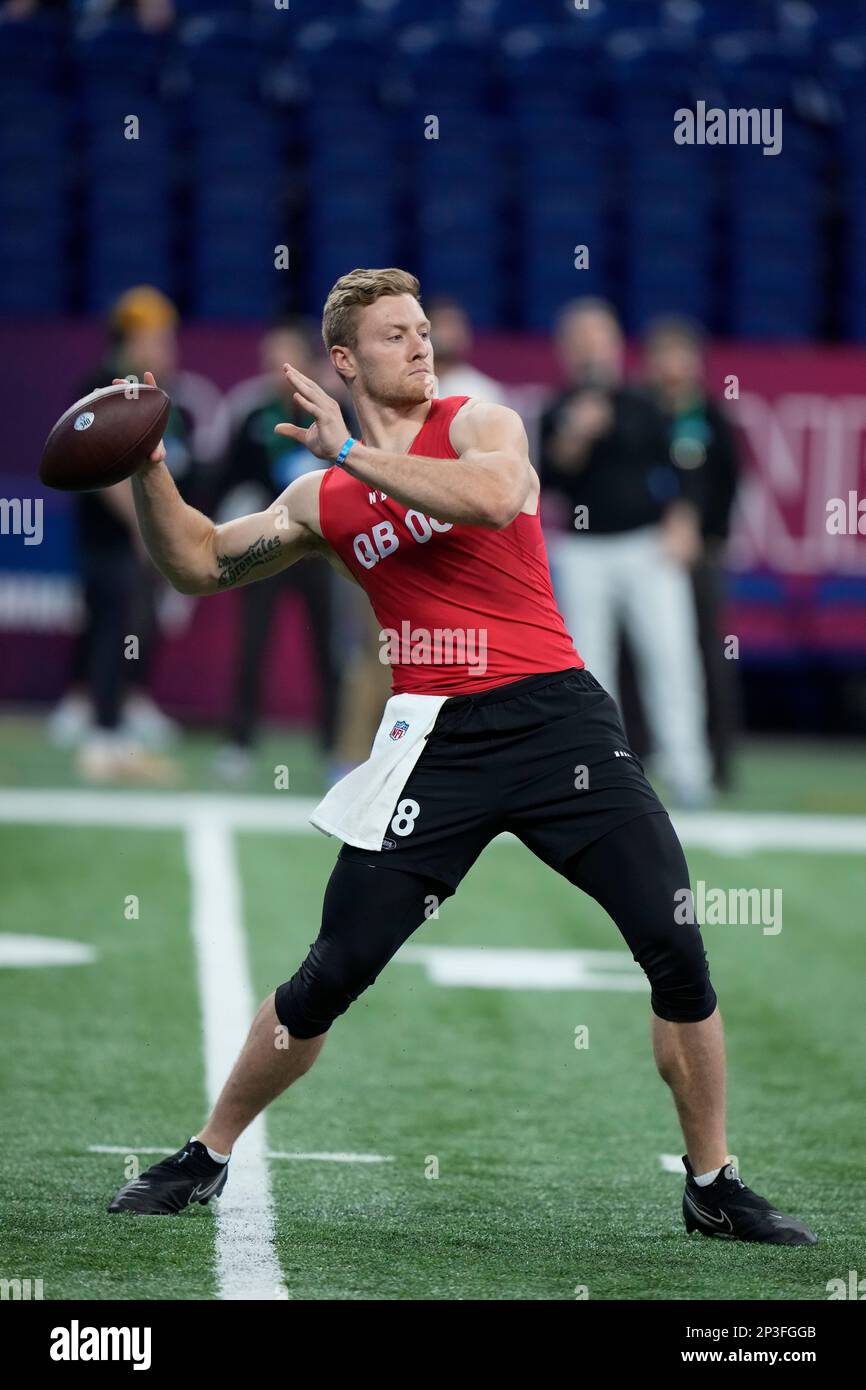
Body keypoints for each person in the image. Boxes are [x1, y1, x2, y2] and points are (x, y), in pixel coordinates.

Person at [107, 268, 814, 1245]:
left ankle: (711, 1180)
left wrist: (352, 450)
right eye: (394, 335)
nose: (421, 343)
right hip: (433, 738)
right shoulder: (322, 498)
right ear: (345, 360)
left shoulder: (481, 424)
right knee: (330, 971)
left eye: (421, 328)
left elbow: (492, 500)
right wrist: (145, 463)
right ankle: (208, 1150)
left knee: (674, 939)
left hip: (556, 716)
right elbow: (194, 558)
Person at [539, 298, 713, 808]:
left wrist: (684, 521)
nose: (592, 348)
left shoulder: (646, 404)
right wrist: (577, 432)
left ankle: (689, 772)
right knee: (589, 671)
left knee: (671, 656)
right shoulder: (557, 410)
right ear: (566, 350)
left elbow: (683, 470)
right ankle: (597, 776)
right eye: (581, 340)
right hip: (584, 551)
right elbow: (549, 480)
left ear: (616, 346)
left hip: (647, 547)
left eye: (600, 337)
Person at [49, 285, 196, 783]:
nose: (165, 349)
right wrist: (139, 525)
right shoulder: (101, 387)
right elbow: (100, 467)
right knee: (112, 624)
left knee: (140, 622)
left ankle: (125, 709)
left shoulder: (163, 395)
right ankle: (102, 727)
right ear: (131, 339)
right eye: (156, 339)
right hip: (110, 537)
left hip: (148, 533)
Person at [209, 318, 341, 783]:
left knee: (328, 651)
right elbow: (225, 483)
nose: (275, 369)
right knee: (253, 645)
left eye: (284, 360)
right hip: (266, 549)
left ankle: (333, 750)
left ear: (307, 363)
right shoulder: (251, 415)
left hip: (321, 551)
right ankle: (239, 744)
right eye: (269, 360)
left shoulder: (332, 414)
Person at [642, 315, 742, 791]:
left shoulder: (710, 417)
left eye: (680, 354)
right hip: (645, 551)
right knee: (641, 653)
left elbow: (731, 480)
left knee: (708, 653)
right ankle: (640, 753)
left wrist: (709, 538)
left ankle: (717, 760)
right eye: (663, 354)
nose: (672, 364)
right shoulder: (640, 411)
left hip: (700, 554)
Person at [428, 295, 506, 403]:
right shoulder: (405, 386)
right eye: (444, 325)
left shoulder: (481, 391)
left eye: (457, 325)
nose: (454, 334)